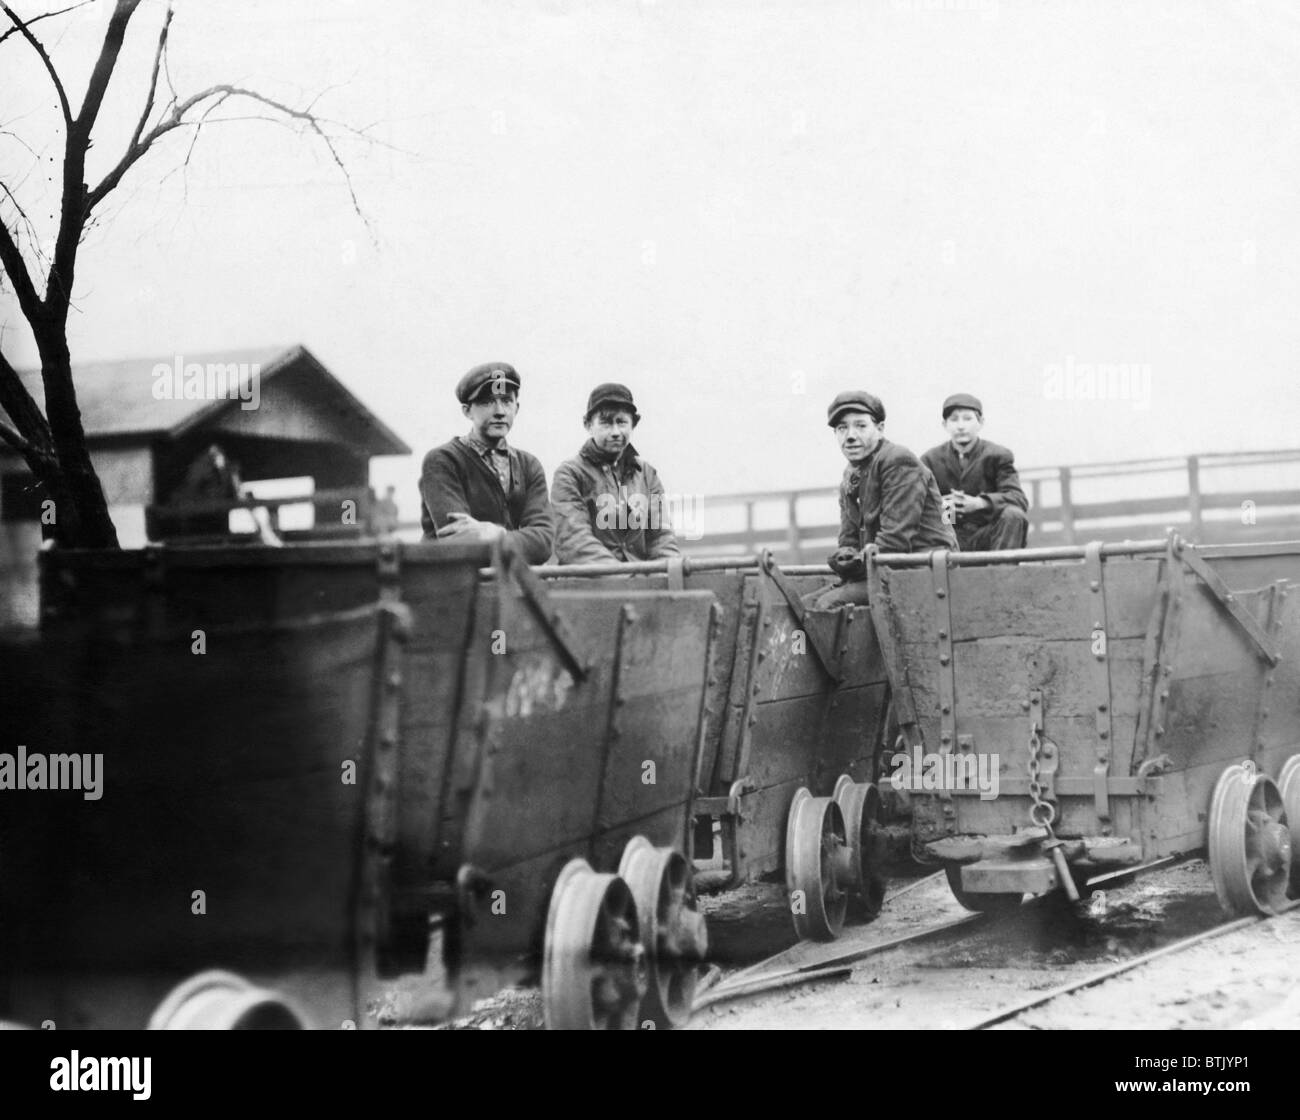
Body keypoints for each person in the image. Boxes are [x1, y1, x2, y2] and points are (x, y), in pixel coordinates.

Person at [807, 390, 956, 609]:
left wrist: (856, 564)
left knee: (827, 605)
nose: (850, 435)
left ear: (880, 429)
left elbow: (895, 541)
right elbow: (848, 539)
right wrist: (845, 556)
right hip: (885, 570)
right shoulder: (852, 476)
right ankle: (798, 645)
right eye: (842, 428)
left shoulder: (898, 461)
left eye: (860, 426)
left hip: (925, 571)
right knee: (802, 606)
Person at [418, 361, 554, 563]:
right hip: (450, 585)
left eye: (506, 401)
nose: (499, 411)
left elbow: (543, 543)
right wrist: (518, 542)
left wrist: (495, 535)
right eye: (487, 402)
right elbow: (458, 538)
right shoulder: (443, 460)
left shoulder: (528, 465)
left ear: (516, 408)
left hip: (508, 583)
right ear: (467, 411)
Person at [550, 383, 681, 564]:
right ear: (588, 424)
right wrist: (628, 579)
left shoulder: (646, 474)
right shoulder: (570, 474)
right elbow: (574, 542)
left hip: (643, 583)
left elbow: (661, 538)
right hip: (591, 586)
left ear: (633, 424)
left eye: (621, 422)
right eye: (605, 422)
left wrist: (666, 577)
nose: (615, 432)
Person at [921, 393, 1029, 552]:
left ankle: (1001, 575)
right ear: (945, 424)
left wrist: (979, 503)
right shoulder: (929, 460)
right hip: (947, 537)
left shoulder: (998, 456)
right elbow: (918, 505)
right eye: (954, 419)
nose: (960, 426)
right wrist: (943, 506)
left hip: (988, 536)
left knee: (1014, 515)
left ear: (980, 423)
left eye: (967, 418)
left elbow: (1018, 499)